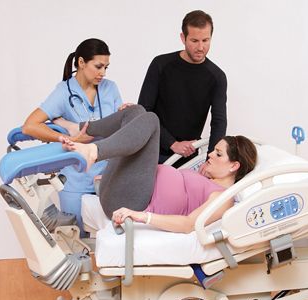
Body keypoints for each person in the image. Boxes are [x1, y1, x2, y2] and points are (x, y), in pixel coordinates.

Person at [59, 105, 257, 234]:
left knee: (151, 120)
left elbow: (189, 224)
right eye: (213, 151)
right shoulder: (203, 177)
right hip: (122, 188)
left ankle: (93, 150)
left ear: (234, 166)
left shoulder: (223, 198)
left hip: (132, 201)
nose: (211, 155)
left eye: (219, 154)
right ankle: (82, 130)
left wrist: (142, 217)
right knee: (136, 111)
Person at [22, 38, 123, 235]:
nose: (103, 73)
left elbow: (119, 127)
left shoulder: (110, 88)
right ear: (81, 62)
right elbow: (30, 126)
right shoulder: (63, 92)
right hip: (76, 181)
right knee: (75, 239)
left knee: (115, 239)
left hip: (108, 177)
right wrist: (67, 139)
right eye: (98, 66)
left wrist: (124, 113)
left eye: (106, 67)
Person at [138, 10, 227, 166]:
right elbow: (144, 111)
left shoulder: (217, 77)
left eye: (205, 40)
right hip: (152, 150)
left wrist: (210, 162)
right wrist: (172, 143)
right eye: (194, 41)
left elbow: (219, 122)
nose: (201, 47)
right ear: (182, 38)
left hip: (188, 155)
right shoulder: (161, 64)